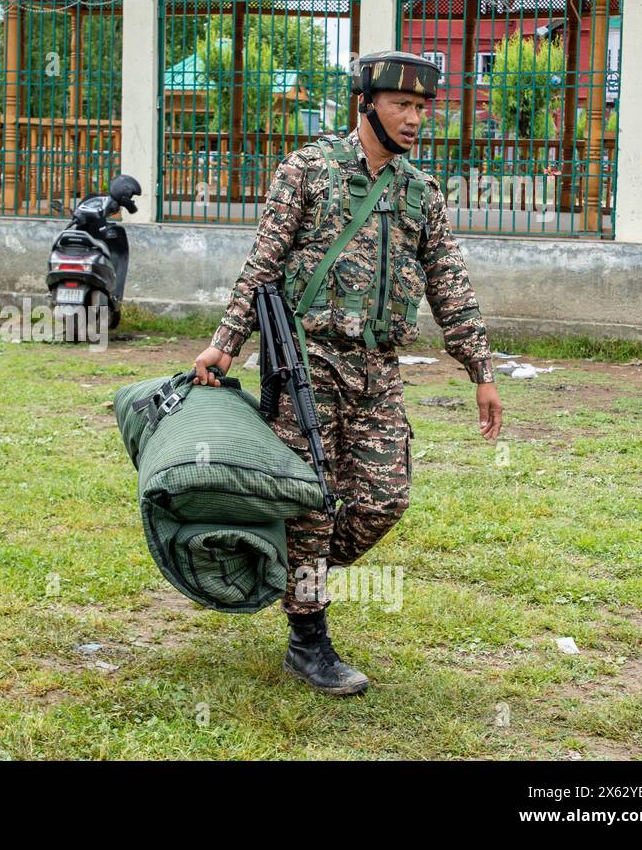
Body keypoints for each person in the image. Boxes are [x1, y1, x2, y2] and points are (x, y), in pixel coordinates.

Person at [191, 50, 504, 695]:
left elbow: (450, 283)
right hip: (308, 363)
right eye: (403, 105)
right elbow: (263, 265)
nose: (417, 119)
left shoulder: (421, 192)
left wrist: (480, 368)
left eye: (422, 108)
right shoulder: (309, 170)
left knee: (384, 499)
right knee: (312, 503)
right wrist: (227, 344)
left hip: (378, 369)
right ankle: (308, 639)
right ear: (368, 104)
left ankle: (284, 566)